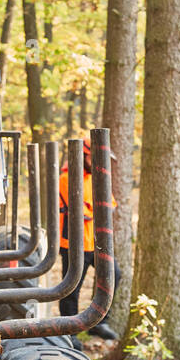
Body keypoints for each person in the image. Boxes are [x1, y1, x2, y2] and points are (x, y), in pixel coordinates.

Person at [59, 137, 120, 339]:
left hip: (95, 243)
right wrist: (97, 208)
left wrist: (97, 208)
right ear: (84, 156)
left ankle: (100, 321)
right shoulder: (66, 179)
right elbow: (81, 210)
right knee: (71, 290)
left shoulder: (97, 179)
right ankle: (70, 334)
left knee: (114, 273)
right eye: (94, 158)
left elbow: (110, 204)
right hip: (73, 243)